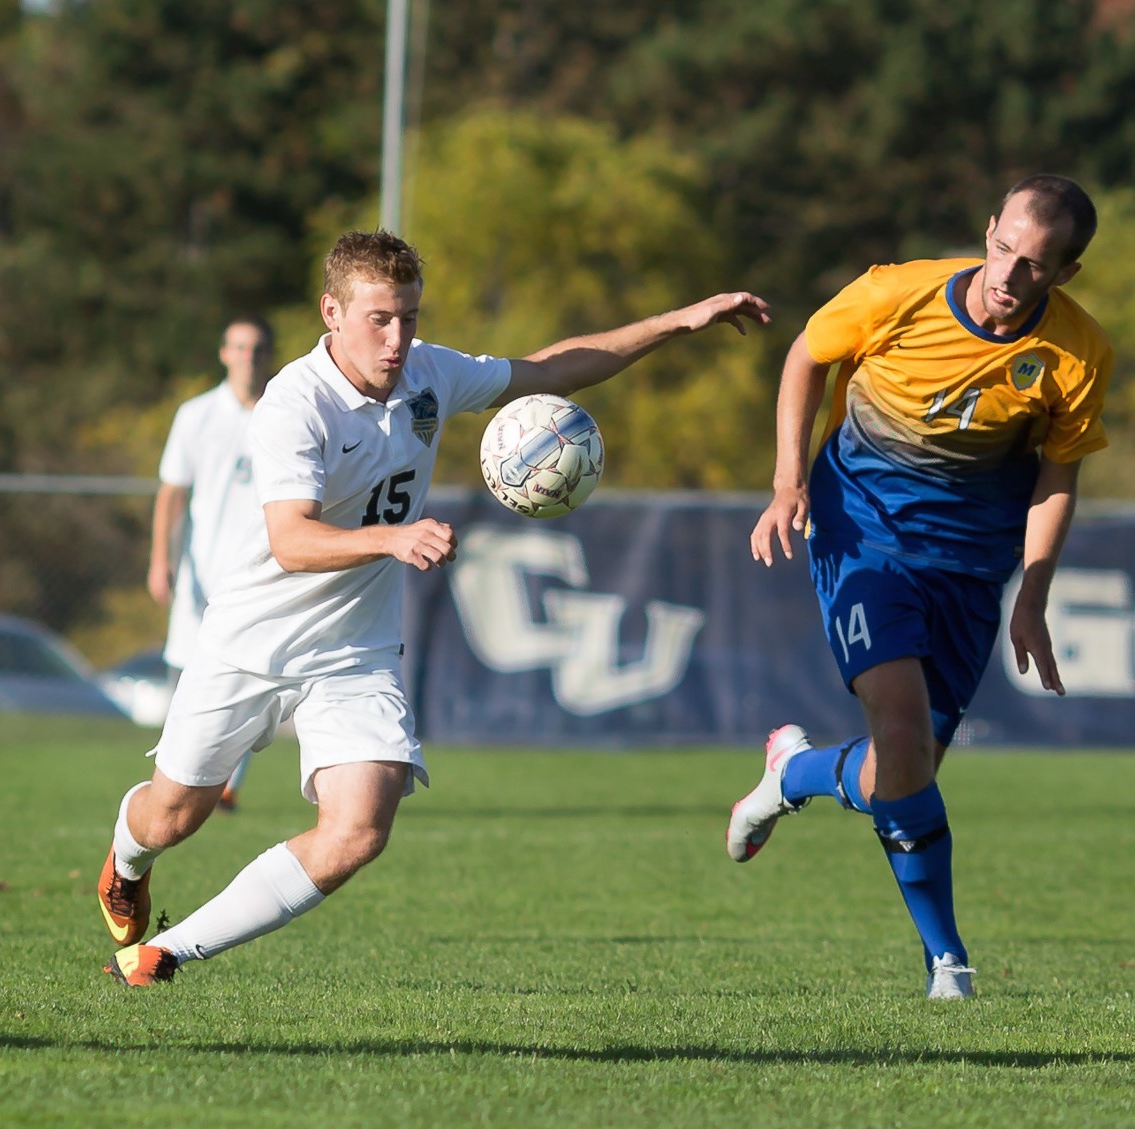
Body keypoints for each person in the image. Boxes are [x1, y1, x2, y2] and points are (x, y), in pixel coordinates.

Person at [99, 228, 770, 986]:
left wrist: (678, 321)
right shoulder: (295, 403)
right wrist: (393, 537)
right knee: (172, 817)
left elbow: (553, 367)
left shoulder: (428, 374)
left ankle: (166, 952)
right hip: (250, 642)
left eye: (409, 317)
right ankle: (126, 864)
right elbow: (289, 540)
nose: (397, 338)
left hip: (353, 648)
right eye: (378, 318)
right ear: (331, 312)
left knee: (358, 828)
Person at [728, 175, 1112, 1000]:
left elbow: (1056, 474)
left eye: (1034, 266)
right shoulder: (893, 294)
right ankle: (949, 962)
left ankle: (792, 773)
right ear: (987, 231)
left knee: (903, 774)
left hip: (971, 565)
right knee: (900, 741)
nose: (1007, 276)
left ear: (1064, 275)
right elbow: (805, 354)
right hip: (861, 534)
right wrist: (788, 482)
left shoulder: (1077, 354)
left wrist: (1032, 594)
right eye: (1002, 248)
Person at [145, 314, 275, 812]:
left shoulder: (285, 413)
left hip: (264, 573)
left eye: (257, 348)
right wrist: (162, 560)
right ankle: (175, 777)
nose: (248, 357)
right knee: (187, 677)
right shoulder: (196, 415)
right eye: (239, 348)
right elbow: (172, 493)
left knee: (254, 679)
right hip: (203, 573)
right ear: (224, 354)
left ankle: (227, 785)